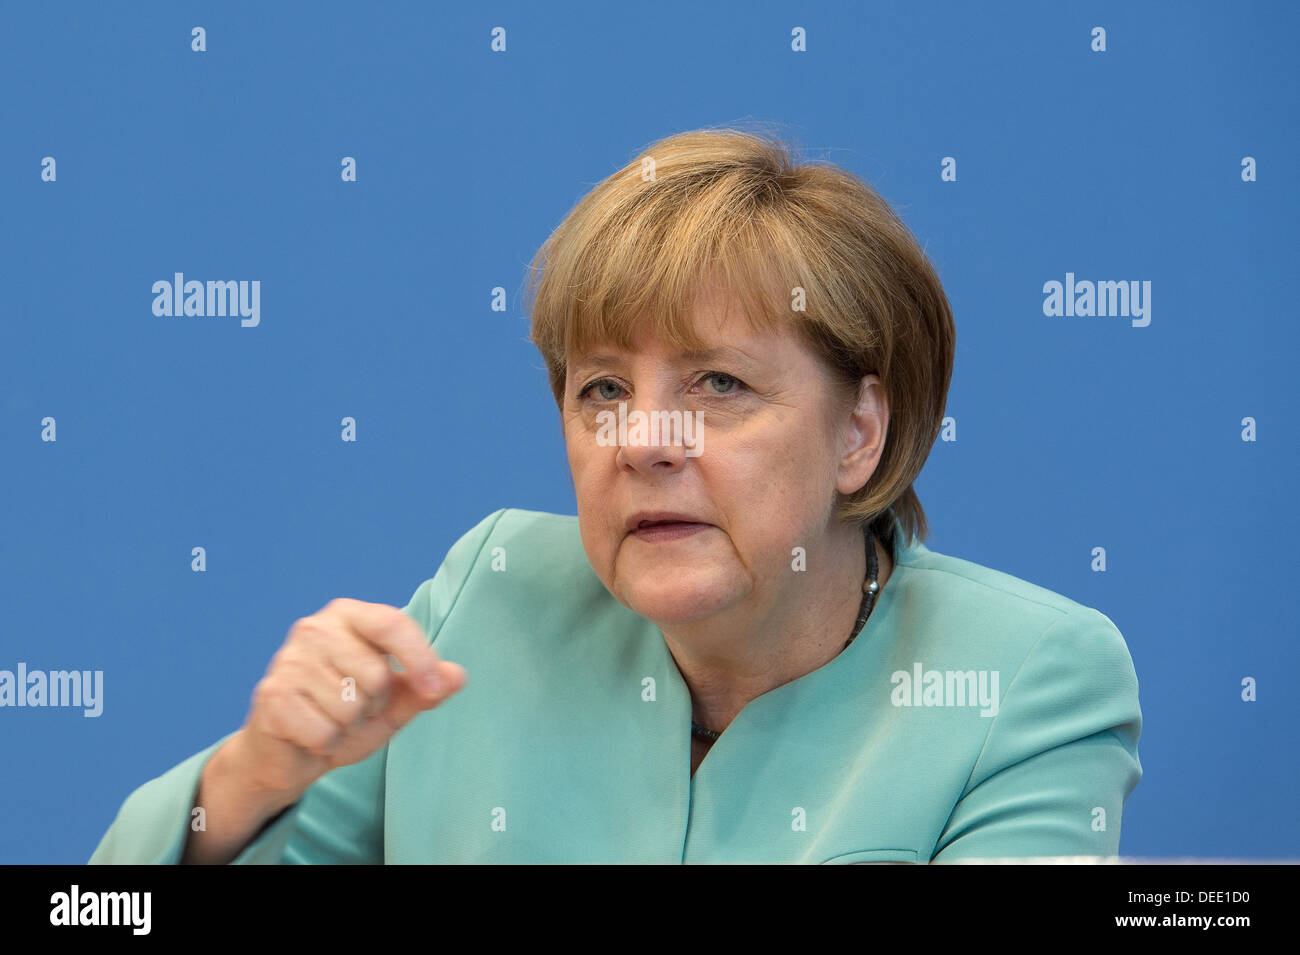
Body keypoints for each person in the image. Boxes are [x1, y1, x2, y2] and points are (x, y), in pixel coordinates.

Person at [89, 126, 1141, 864]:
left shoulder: (1028, 680)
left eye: (718, 384)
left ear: (859, 432)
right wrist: (251, 777)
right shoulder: (488, 600)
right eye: (600, 389)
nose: (641, 441)